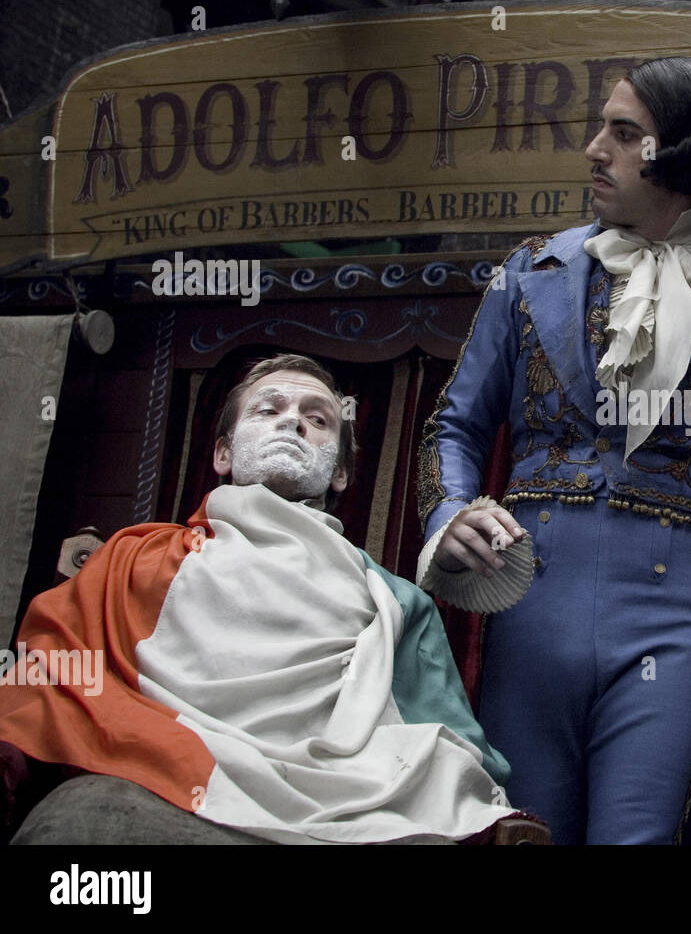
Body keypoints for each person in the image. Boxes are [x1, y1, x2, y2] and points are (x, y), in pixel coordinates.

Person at [416, 56, 691, 844]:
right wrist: (450, 510)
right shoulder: (528, 273)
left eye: (624, 135)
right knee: (526, 836)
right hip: (531, 607)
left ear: (682, 158)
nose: (594, 149)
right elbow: (455, 426)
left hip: (678, 618)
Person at [0, 354, 530, 845]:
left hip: (350, 815)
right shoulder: (132, 560)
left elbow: (455, 746)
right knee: (82, 820)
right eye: (268, 409)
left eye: (318, 419)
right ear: (223, 454)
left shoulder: (395, 601)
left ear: (340, 472)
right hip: (156, 795)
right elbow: (44, 683)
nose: (292, 421)